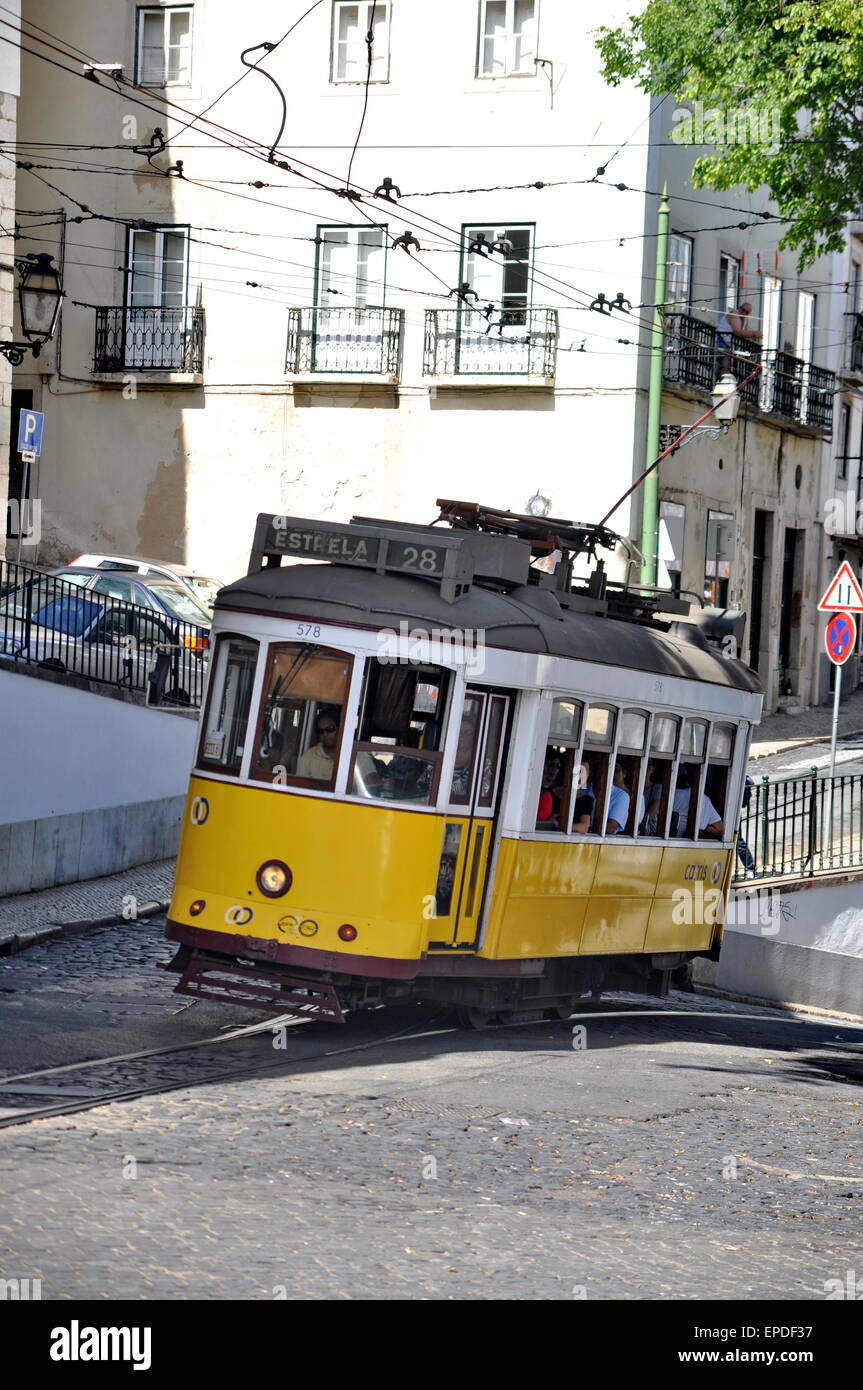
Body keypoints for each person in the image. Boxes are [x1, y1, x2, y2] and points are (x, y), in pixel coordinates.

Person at [671, 765, 724, 839]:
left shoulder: (670, 794)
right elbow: (720, 829)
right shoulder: (704, 799)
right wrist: (703, 826)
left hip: (671, 838)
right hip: (692, 842)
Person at [296, 706, 340, 780]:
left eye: (330, 729)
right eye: (321, 731)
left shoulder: (355, 758)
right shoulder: (308, 757)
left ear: (341, 728)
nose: (325, 734)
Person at [716, 302, 761, 372]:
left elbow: (745, 331)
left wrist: (754, 335)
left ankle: (721, 378)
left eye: (747, 312)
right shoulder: (734, 313)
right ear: (740, 308)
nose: (744, 313)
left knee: (727, 363)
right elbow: (738, 331)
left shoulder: (745, 319)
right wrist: (754, 334)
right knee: (725, 362)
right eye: (743, 310)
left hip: (729, 343)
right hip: (722, 340)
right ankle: (722, 379)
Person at [536, 749, 562, 828]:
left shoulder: (558, 793)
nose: (554, 769)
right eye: (552, 765)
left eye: (558, 766)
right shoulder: (534, 788)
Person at [605, 760, 630, 834]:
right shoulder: (588, 789)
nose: (612, 773)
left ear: (624, 773)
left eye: (616, 770)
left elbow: (611, 827)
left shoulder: (624, 796)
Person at [573, 759, 595, 833]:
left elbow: (585, 827)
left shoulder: (587, 799)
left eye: (586, 771)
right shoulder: (553, 792)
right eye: (580, 770)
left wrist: (560, 825)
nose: (584, 774)